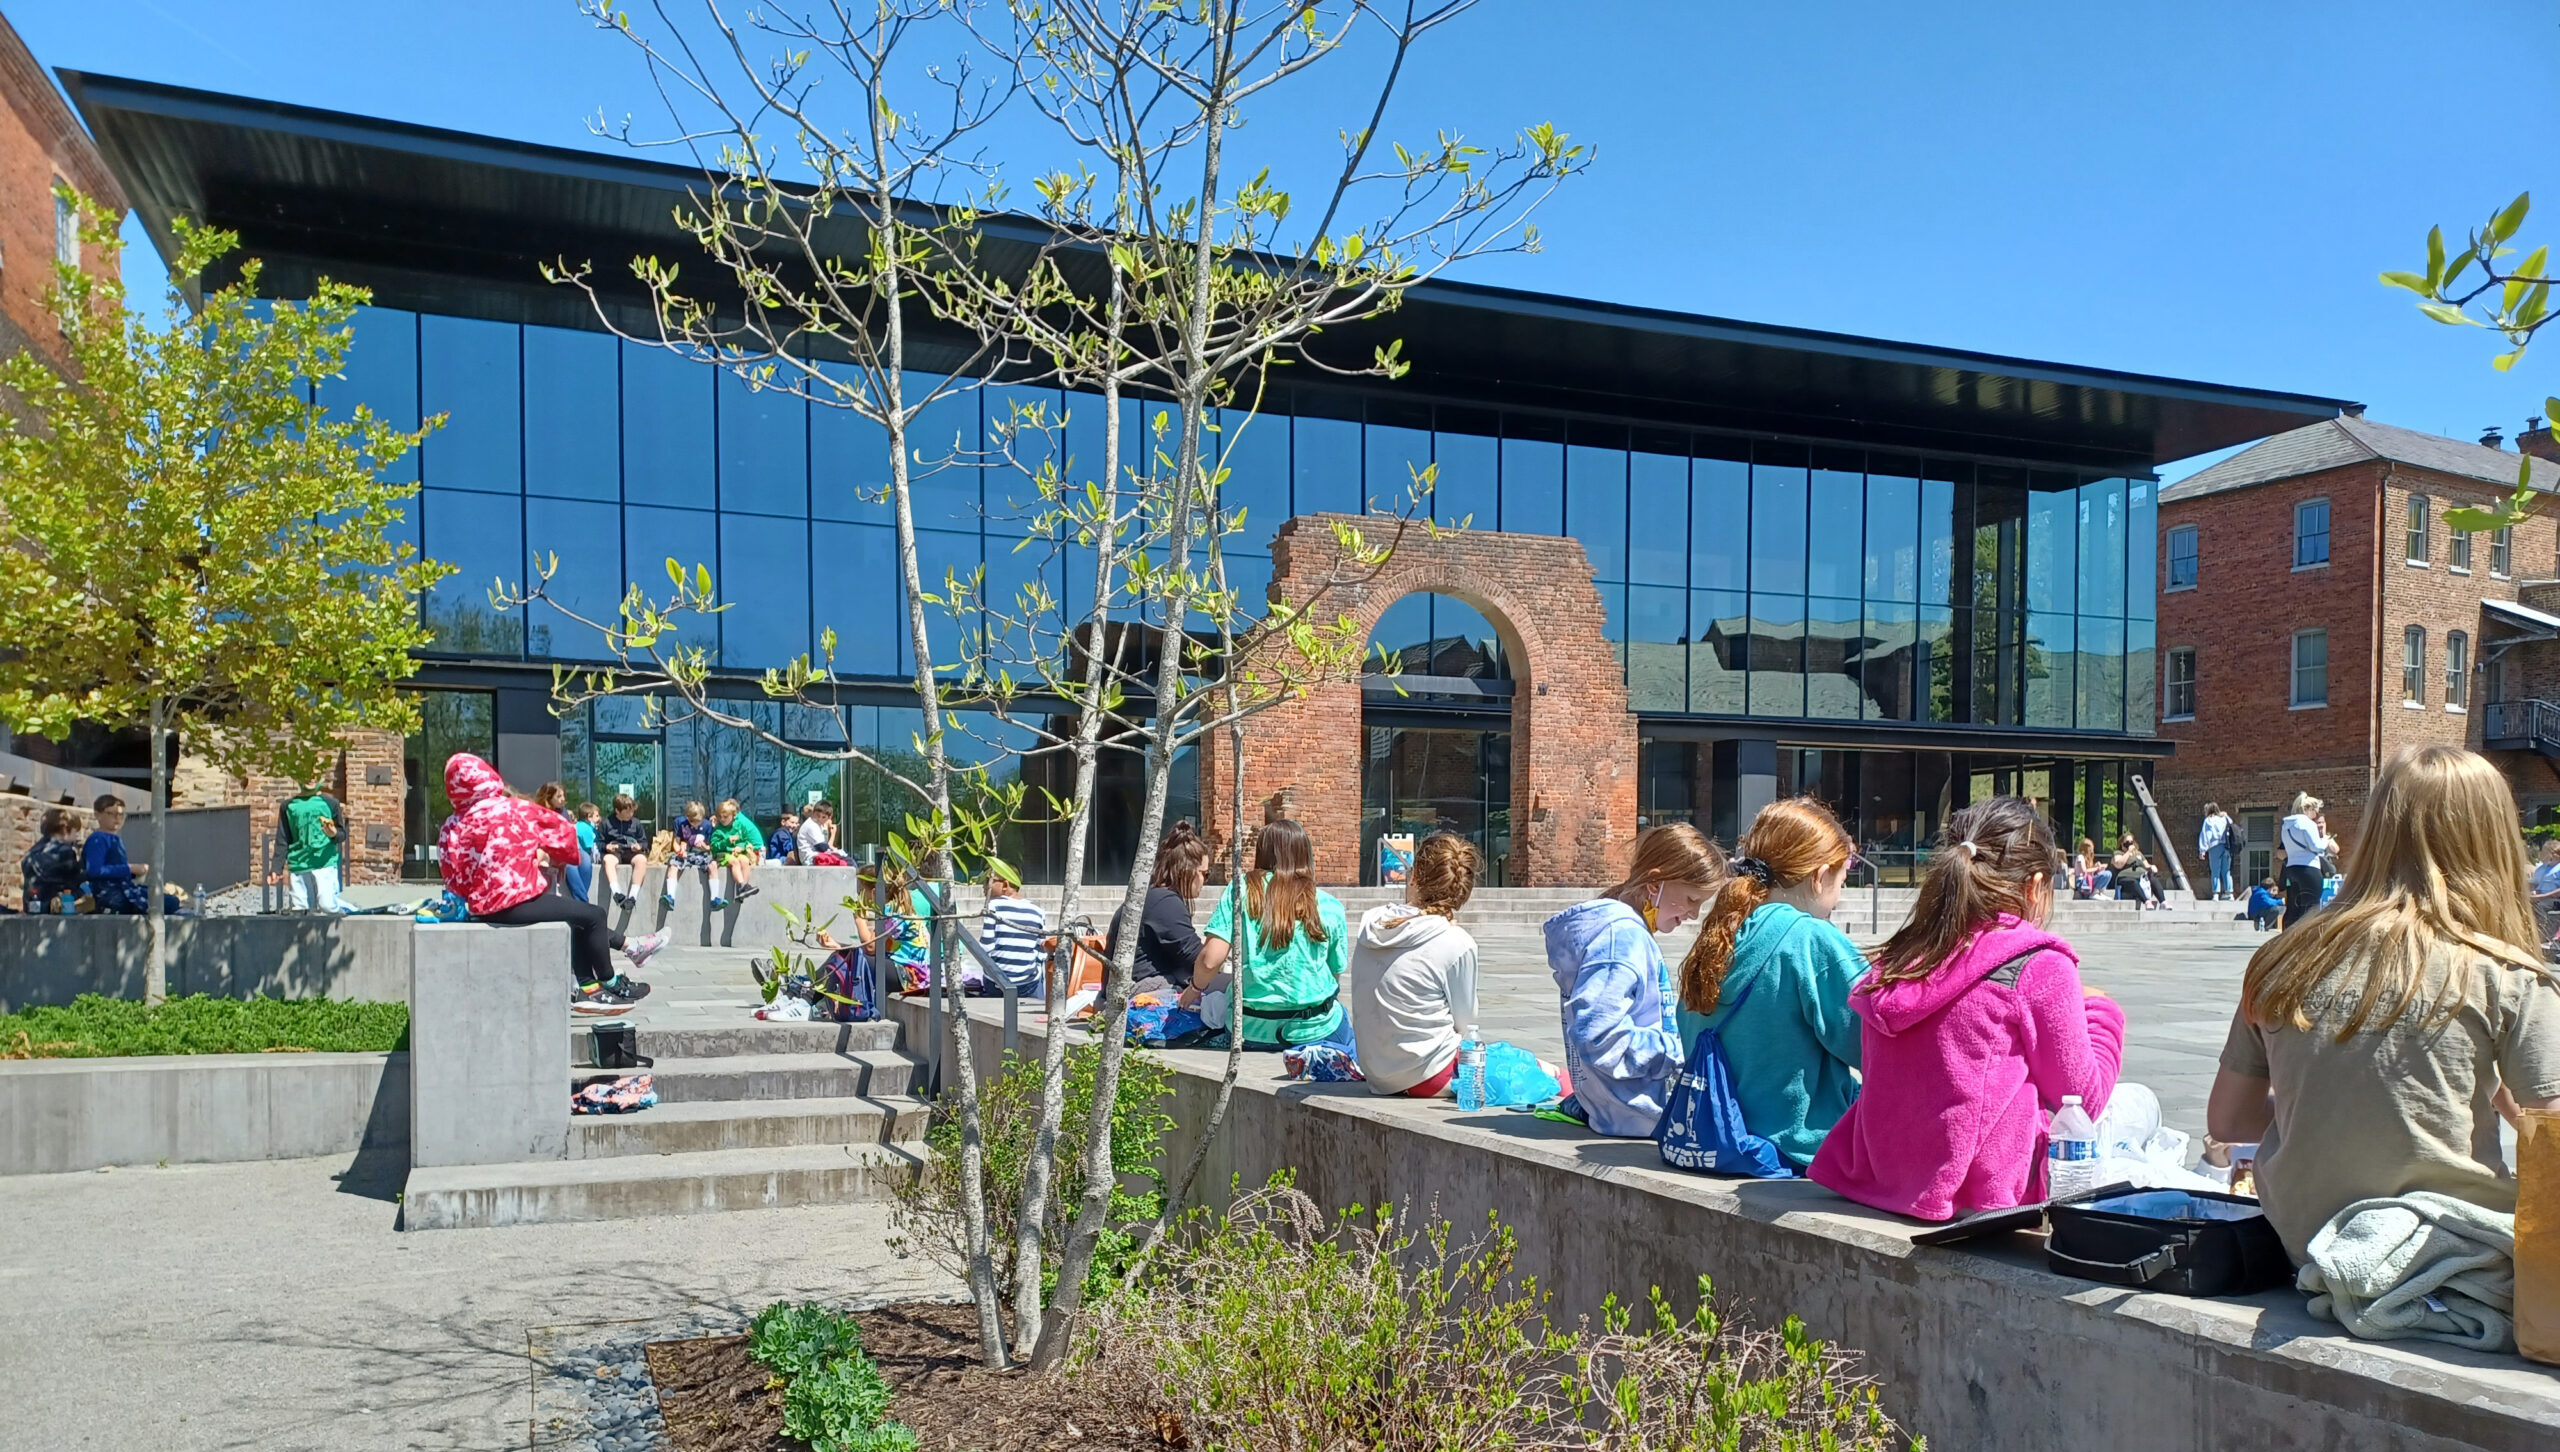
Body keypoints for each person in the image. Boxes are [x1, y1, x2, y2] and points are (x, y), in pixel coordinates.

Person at [2208, 745, 2560, 1263]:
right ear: (2495, 842)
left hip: (2307, 1246)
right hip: (2451, 1257)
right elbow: (2551, 1146)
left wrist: (2320, 1109)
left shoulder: (2283, 959)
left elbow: (2229, 1120)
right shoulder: (2507, 976)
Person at [1808, 796, 2126, 1221]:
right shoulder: (2039, 963)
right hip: (1979, 1189)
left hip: (1883, 1178)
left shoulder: (1904, 954)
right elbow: (2080, 1100)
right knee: (2137, 1106)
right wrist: (2102, 1015)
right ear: (2033, 886)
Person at [1673, 798, 1868, 1172]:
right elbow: (1873, 1044)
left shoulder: (1721, 934)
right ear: (1820, 875)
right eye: (1843, 878)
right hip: (1798, 1151)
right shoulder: (1811, 939)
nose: (1839, 897)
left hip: (1718, 1140)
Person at [1543, 822, 1731, 1137]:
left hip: (1625, 1110)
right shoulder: (1622, 938)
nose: (1693, 914)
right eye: (1690, 899)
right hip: (1635, 1113)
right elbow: (1598, 1037)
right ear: (1654, 883)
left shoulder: (1624, 932)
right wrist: (1677, 1049)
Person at [436, 754, 663, 1013]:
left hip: (478, 906)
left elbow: (451, 874)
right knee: (594, 915)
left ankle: (589, 988)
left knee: (575, 915)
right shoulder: (511, 809)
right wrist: (568, 857)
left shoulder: (451, 825)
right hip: (516, 901)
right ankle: (608, 981)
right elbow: (563, 834)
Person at [1184, 818, 1352, 1054]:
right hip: (1313, 1029)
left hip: (1250, 1028)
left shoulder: (1240, 890)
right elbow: (1334, 975)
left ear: (1262, 851)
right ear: (1306, 854)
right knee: (1347, 1030)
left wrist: (1194, 988)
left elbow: (1210, 959)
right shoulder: (1329, 905)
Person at [1348, 831, 1482, 1097]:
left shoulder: (1372, 924)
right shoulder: (1456, 941)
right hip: (1428, 1072)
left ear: (1415, 877)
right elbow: (1466, 1021)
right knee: (1541, 1072)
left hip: (1376, 1072)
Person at [1113, 819, 1209, 997]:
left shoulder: (1154, 895)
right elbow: (1199, 960)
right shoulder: (1165, 902)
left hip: (1129, 987)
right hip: (1139, 991)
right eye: (1204, 873)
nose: (1205, 880)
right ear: (1187, 870)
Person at [979, 862, 1050, 998]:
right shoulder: (1038, 911)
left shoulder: (993, 906)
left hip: (997, 983)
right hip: (1028, 982)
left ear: (1005, 885)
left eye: (988, 881)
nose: (984, 886)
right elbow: (1041, 948)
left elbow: (986, 947)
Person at [274, 783, 347, 913]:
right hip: (299, 865)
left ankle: (349, 910)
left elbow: (342, 834)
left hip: (324, 863)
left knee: (328, 905)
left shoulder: (330, 803)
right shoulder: (288, 806)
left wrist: (334, 834)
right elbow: (283, 838)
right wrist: (276, 867)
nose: (310, 779)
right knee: (301, 911)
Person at [82, 796, 153, 915]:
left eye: (121, 814)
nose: (117, 818)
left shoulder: (115, 839)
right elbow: (94, 870)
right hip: (108, 893)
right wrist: (129, 869)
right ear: (98, 815)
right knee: (166, 903)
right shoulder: (98, 839)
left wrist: (134, 873)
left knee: (168, 900)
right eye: (111, 813)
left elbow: (116, 869)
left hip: (123, 889)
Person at [2279, 792, 2335, 929]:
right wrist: (2326, 840)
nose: (2316, 815)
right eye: (2315, 811)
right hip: (2309, 868)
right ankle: (2308, 936)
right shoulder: (2307, 823)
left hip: (2291, 868)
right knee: (2313, 906)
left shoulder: (2286, 825)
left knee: (2294, 907)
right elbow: (2317, 846)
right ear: (2308, 809)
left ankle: (2289, 936)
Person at [20, 808, 86, 914]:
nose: (76, 836)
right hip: (55, 906)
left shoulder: (32, 852)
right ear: (65, 829)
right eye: (75, 831)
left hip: (32, 905)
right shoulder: (65, 852)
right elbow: (75, 880)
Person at [704, 799, 763, 909]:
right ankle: (741, 885)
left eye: (725, 817)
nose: (722, 819)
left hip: (735, 852)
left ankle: (743, 889)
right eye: (720, 817)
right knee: (735, 862)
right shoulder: (718, 830)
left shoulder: (739, 826)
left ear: (733, 815)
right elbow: (714, 846)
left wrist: (741, 847)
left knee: (745, 861)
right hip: (722, 854)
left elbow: (746, 840)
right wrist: (727, 841)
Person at [597, 794, 648, 908]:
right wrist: (606, 847)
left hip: (631, 851)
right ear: (617, 811)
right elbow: (598, 843)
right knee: (608, 860)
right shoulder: (606, 823)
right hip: (614, 851)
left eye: (632, 811)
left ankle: (632, 897)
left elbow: (644, 842)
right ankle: (617, 893)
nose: (631, 815)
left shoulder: (636, 823)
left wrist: (639, 846)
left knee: (642, 860)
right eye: (627, 812)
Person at [2200, 803, 2237, 902]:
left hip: (2214, 846)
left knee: (2215, 871)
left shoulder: (2208, 820)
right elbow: (2231, 822)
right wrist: (2225, 814)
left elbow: (2205, 835)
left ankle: (2216, 894)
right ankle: (2229, 893)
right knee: (2226, 871)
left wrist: (2202, 850)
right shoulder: (2224, 818)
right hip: (2226, 846)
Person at [2110, 834, 2159, 909]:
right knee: (2134, 882)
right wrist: (2128, 852)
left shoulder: (2138, 854)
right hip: (2126, 878)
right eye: (2127, 842)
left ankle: (2163, 902)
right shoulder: (2118, 853)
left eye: (2131, 842)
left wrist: (2152, 867)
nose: (2129, 844)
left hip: (2141, 877)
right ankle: (2146, 902)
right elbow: (2119, 864)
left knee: (2153, 880)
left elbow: (2146, 865)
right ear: (2122, 843)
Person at [568, 802, 601, 903]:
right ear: (589, 816)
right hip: (581, 854)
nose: (599, 818)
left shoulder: (580, 826)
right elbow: (590, 847)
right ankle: (582, 898)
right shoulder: (586, 829)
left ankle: (581, 898)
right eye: (597, 815)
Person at [2531, 838, 2560, 944]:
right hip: (2540, 896)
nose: (2541, 854)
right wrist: (2534, 891)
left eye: (2544, 851)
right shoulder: (2541, 868)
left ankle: (2542, 935)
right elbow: (2534, 883)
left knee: (2539, 906)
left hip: (2554, 899)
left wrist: (2541, 897)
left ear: (2554, 854)